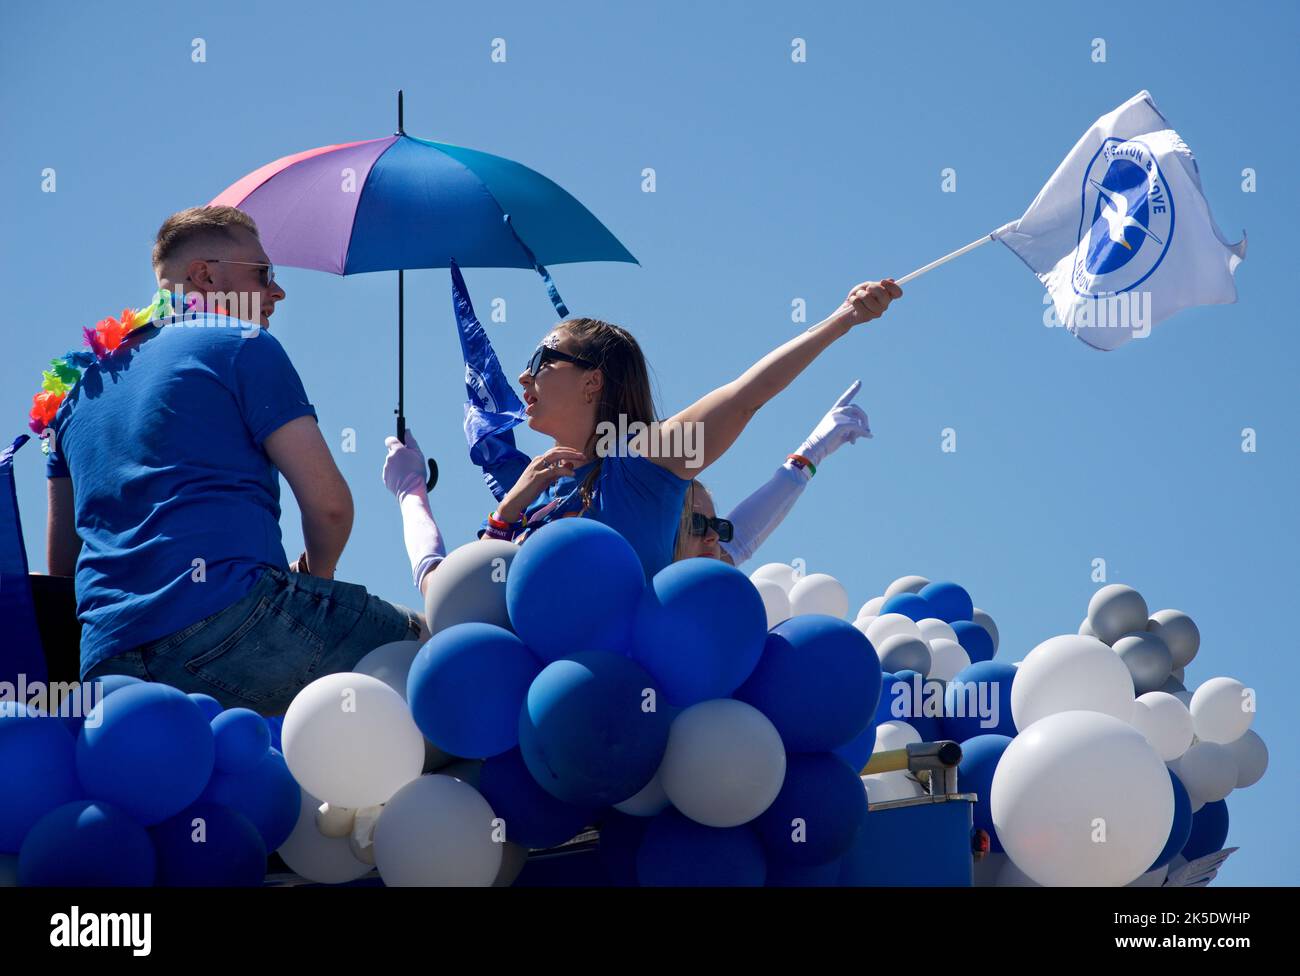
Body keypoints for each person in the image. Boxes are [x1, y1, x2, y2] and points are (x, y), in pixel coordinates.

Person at [44, 206, 431, 715]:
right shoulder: (242, 343)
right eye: (264, 274)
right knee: (430, 656)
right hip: (234, 620)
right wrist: (318, 575)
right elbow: (331, 506)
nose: (278, 292)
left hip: (107, 668)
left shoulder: (69, 396)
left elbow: (62, 573)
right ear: (205, 275)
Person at [384, 278, 903, 578]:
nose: (524, 374)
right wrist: (495, 509)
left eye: (542, 358)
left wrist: (843, 318)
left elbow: (746, 396)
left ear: (593, 383)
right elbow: (444, 590)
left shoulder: (640, 465)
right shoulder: (535, 488)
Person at [675, 380, 873, 564]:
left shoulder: (711, 580)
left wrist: (812, 451)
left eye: (718, 527)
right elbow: (738, 544)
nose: (713, 536)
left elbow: (739, 542)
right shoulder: (646, 575)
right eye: (696, 524)